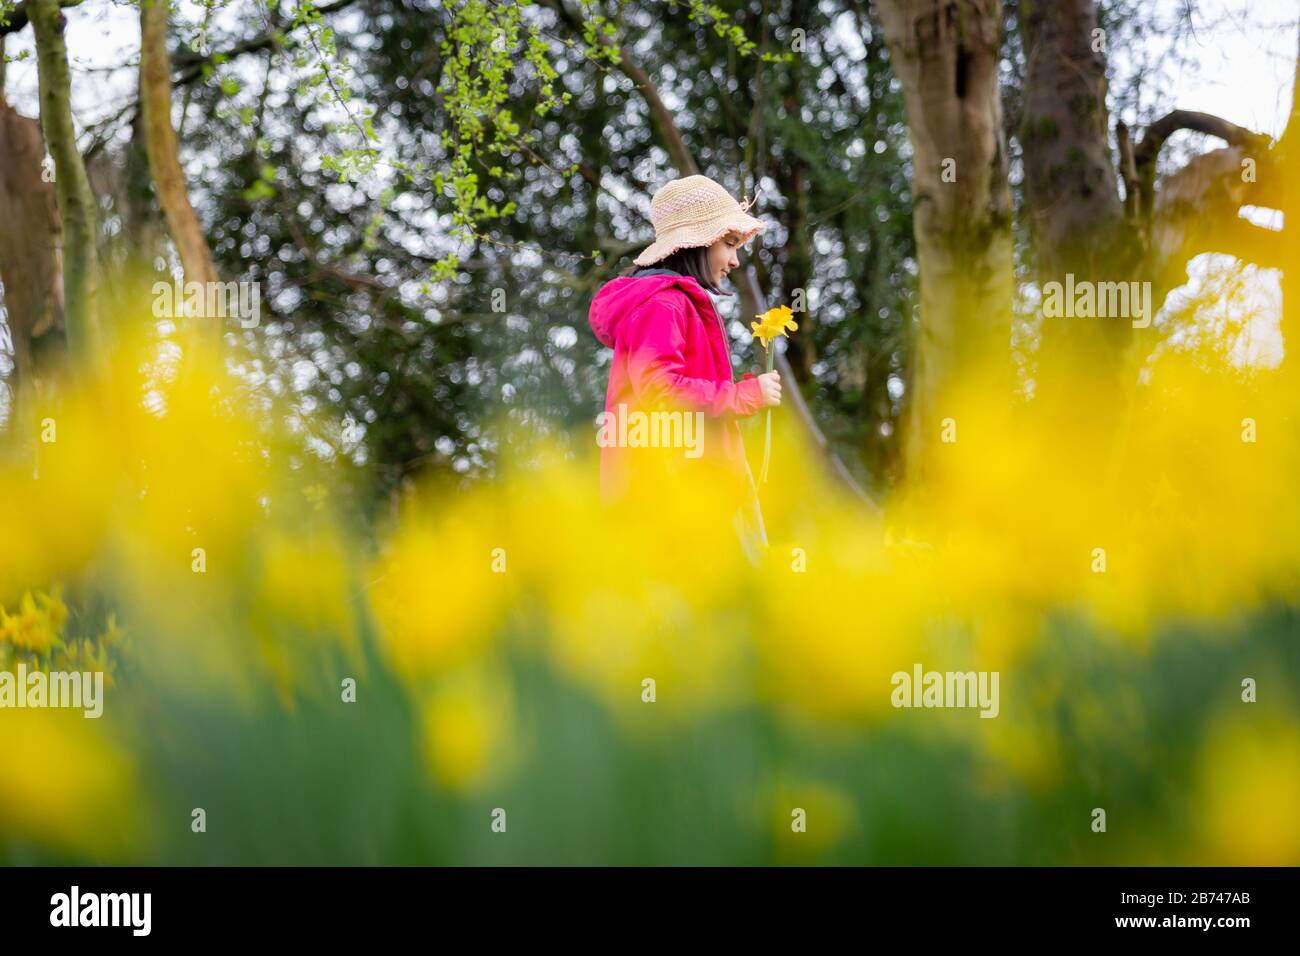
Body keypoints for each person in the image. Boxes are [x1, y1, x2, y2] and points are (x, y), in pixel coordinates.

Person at [587, 175, 781, 562]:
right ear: (695, 243)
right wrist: (745, 396)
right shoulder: (664, 304)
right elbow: (661, 394)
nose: (735, 259)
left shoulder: (670, 303)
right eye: (729, 243)